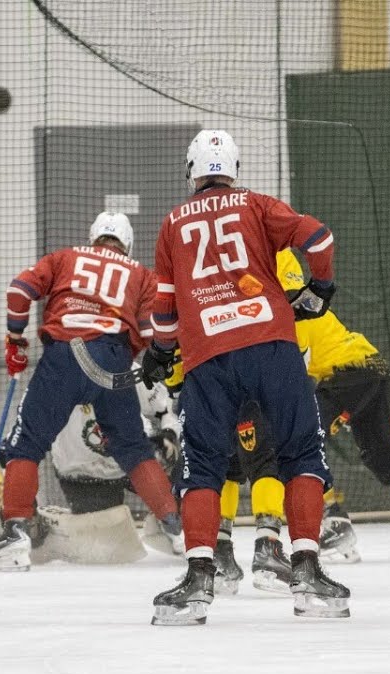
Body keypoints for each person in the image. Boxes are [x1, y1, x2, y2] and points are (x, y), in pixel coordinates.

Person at [146, 130, 349, 625]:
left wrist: (158, 351)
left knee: (204, 468)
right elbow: (319, 238)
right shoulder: (257, 205)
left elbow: (166, 311)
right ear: (233, 167)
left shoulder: (173, 223)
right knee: (300, 453)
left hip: (207, 357)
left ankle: (198, 578)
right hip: (272, 347)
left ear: (190, 169)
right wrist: (320, 286)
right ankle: (305, 569)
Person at [236, 249, 390, 579]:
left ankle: (336, 522)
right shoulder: (286, 304)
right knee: (381, 455)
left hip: (345, 372)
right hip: (371, 366)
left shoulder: (287, 313)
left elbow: (299, 373)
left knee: (301, 440)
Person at [0, 211, 181, 572]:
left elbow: (19, 291)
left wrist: (16, 340)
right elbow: (155, 329)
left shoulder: (64, 257)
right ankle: (177, 530)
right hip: (112, 360)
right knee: (133, 450)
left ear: (93, 236)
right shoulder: (141, 274)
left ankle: (16, 532)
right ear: (126, 246)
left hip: (65, 354)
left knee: (27, 444)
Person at [38, 362, 180, 565]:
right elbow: (27, 431)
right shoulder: (51, 377)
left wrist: (169, 435)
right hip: (83, 474)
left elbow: (166, 410)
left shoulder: (127, 368)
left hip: (136, 460)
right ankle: (48, 521)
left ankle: (168, 520)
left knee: (186, 486)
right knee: (103, 549)